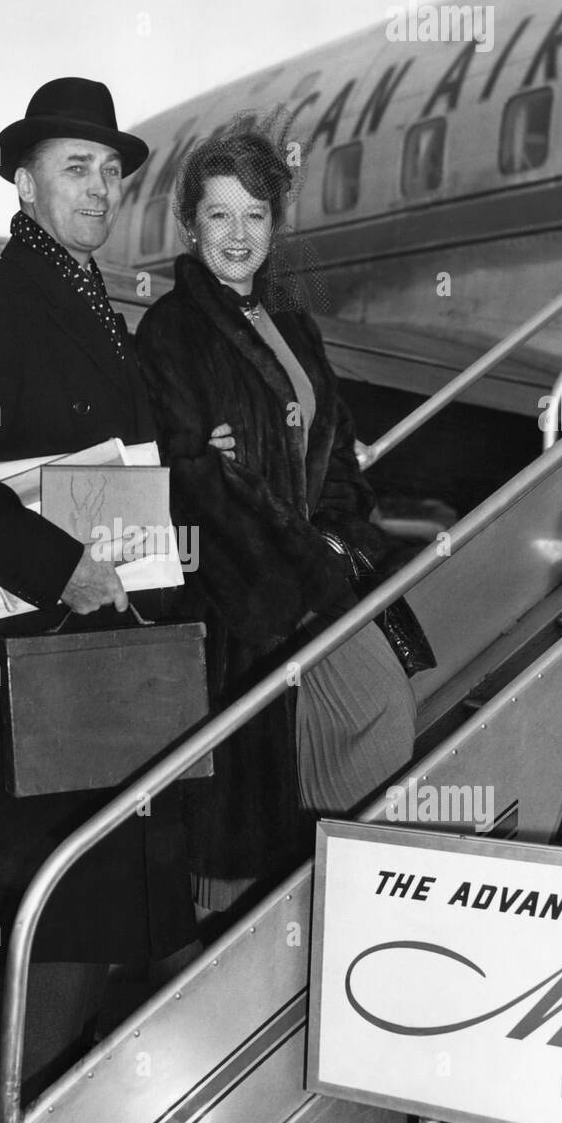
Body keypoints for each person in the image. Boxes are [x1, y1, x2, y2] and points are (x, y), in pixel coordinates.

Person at [0, 78, 218, 1123]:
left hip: (112, 665)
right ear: (25, 184)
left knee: (98, 930)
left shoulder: (97, 308)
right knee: (39, 941)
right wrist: (61, 568)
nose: (102, 187)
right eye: (76, 167)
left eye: (112, 170)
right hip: (43, 671)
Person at [135, 128, 417, 921]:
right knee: (228, 824)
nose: (237, 236)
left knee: (364, 729)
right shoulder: (170, 334)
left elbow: (333, 456)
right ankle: (199, 994)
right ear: (189, 225)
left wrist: (341, 536)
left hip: (308, 574)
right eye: (218, 216)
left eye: (254, 215)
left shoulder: (293, 326)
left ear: (275, 225)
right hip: (238, 592)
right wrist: (300, 567)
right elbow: (187, 474)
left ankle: (325, 915)